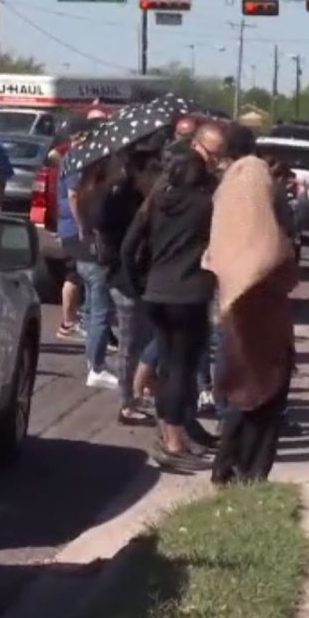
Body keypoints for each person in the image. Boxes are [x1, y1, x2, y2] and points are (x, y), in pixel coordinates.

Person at [124, 123, 223, 472]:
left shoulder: (156, 201)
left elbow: (129, 246)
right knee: (181, 370)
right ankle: (175, 442)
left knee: (168, 367)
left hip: (156, 292)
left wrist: (138, 285)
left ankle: (169, 435)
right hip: (189, 294)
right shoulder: (206, 206)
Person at [204, 125, 299, 485]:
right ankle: (252, 471)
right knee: (267, 389)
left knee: (238, 386)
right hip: (263, 296)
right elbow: (282, 232)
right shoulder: (261, 178)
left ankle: (226, 467)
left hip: (229, 295)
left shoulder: (225, 184)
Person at [91, 144, 164, 426]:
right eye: (153, 172)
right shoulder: (120, 199)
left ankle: (140, 390)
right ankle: (127, 403)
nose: (157, 177)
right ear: (138, 172)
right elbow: (125, 245)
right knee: (130, 344)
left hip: (139, 279)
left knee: (143, 341)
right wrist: (133, 280)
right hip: (126, 280)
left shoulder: (136, 196)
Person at [71, 157, 120, 391]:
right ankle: (96, 367)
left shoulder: (83, 193)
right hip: (97, 258)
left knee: (92, 311)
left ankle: (92, 361)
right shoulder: (103, 196)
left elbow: (84, 225)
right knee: (101, 312)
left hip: (83, 254)